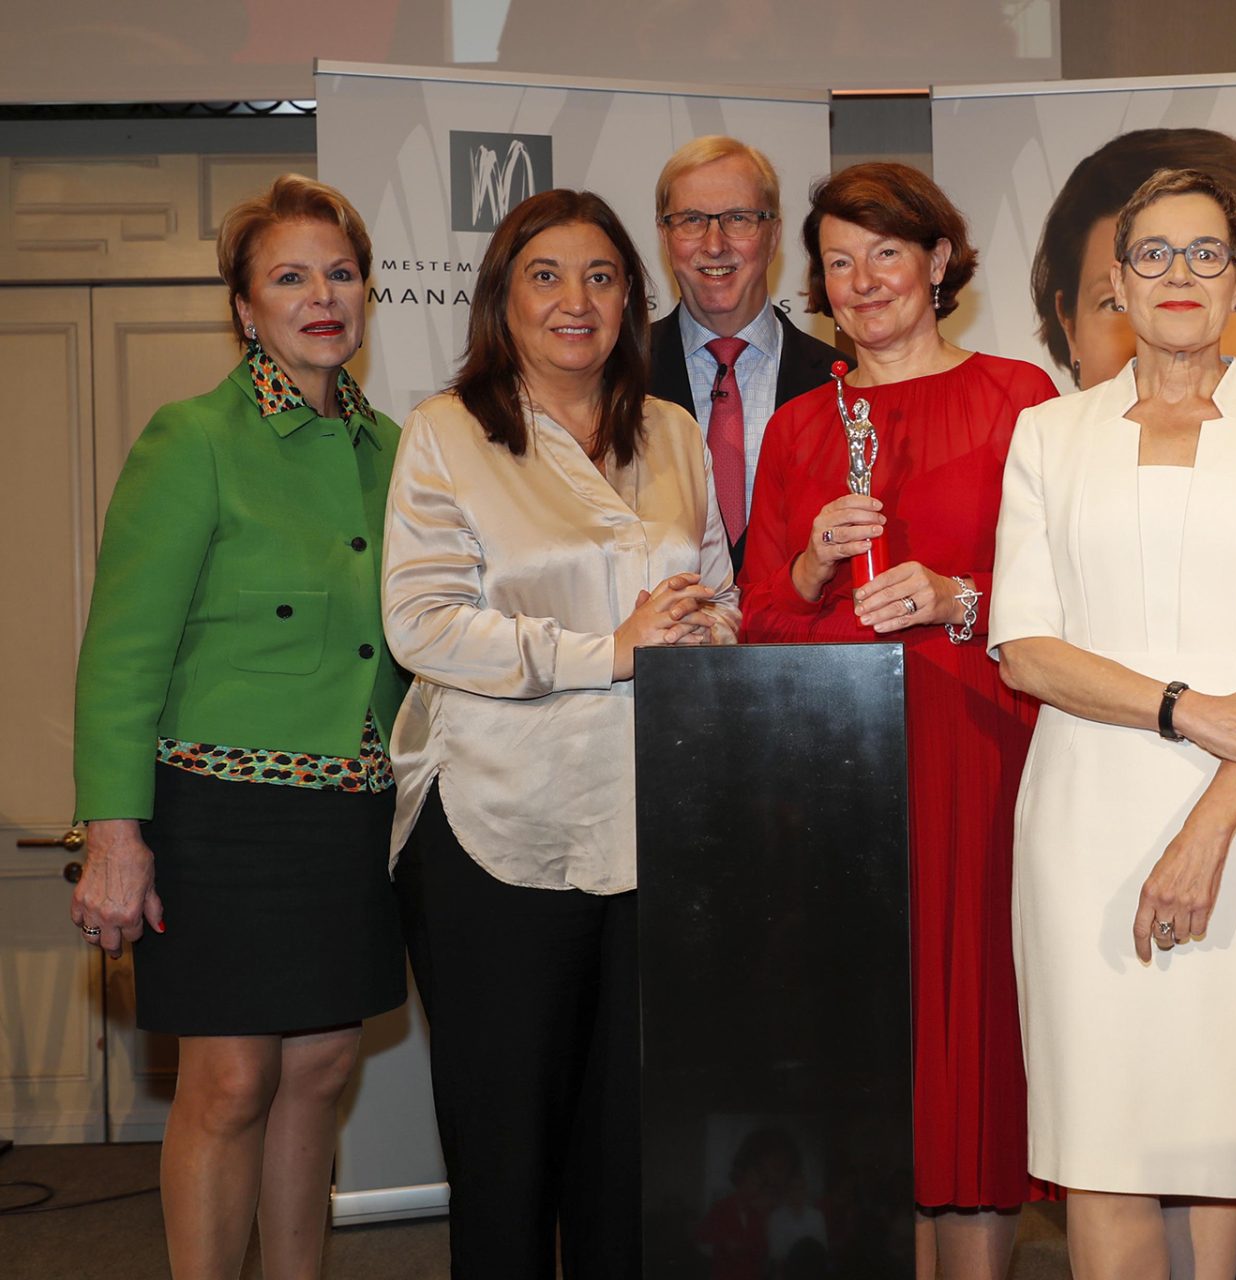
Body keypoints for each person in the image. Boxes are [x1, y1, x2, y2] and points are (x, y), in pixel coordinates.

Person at [990, 167, 1236, 1280]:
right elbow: (1026, 646)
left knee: (1218, 1142)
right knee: (1105, 1139)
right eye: (1154, 253)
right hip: (1084, 821)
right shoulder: (1049, 435)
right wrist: (1186, 710)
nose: (1181, 275)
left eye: (1206, 254)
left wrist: (1206, 830)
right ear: (1116, 280)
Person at [382, 188, 739, 1279]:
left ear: (633, 294)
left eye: (600, 275)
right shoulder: (450, 431)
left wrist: (700, 625)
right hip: (498, 828)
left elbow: (718, 592)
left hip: (647, 830)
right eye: (545, 275)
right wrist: (613, 649)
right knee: (506, 1157)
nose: (575, 299)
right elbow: (423, 621)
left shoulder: (672, 431)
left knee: (630, 1155)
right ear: (503, 296)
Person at [68, 174, 407, 1280]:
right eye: (290, 276)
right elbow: (123, 650)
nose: (323, 296)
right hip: (221, 817)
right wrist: (114, 832)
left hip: (350, 814)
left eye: (342, 272)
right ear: (245, 307)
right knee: (231, 1080)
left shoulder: (395, 451)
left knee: (318, 1072)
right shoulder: (194, 438)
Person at [740, 161, 1057, 1280]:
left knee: (974, 1040)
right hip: (839, 780)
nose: (864, 279)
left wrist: (957, 595)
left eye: (886, 251)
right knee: (863, 1052)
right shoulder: (794, 433)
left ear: (937, 261)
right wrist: (814, 556)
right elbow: (762, 621)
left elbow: (1069, 596)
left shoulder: (1024, 401)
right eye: (838, 260)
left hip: (982, 754)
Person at [650, 135, 847, 568]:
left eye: (738, 219)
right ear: (664, 238)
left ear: (774, 235)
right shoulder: (616, 375)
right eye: (691, 220)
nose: (715, 243)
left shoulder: (845, 382)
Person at [1030, 126, 1236, 391]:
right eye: (1114, 303)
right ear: (1069, 328)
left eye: (1206, 262)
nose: (1176, 283)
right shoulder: (1045, 436)